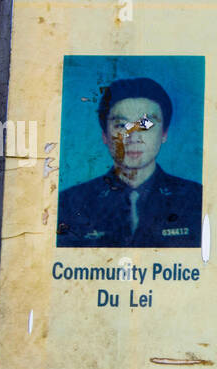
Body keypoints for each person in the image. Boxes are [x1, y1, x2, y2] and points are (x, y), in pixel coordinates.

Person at [57, 77, 202, 248]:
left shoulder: (196, 199)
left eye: (145, 125)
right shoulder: (70, 203)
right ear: (104, 135)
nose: (133, 138)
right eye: (121, 125)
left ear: (164, 133)